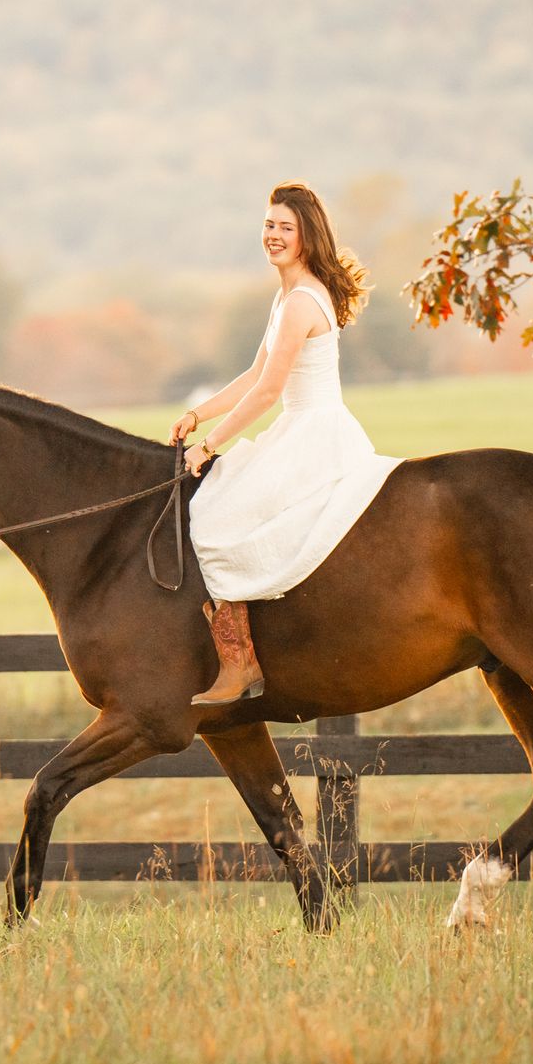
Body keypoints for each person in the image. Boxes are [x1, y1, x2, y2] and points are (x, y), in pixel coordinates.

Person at [173, 181, 402, 707]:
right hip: (304, 427)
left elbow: (269, 392)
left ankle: (240, 663)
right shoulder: (288, 297)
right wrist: (196, 414)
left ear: (306, 237)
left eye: (285, 228)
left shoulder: (300, 302)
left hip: (313, 433)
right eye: (269, 225)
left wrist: (209, 445)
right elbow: (254, 373)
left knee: (212, 518)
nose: (273, 235)